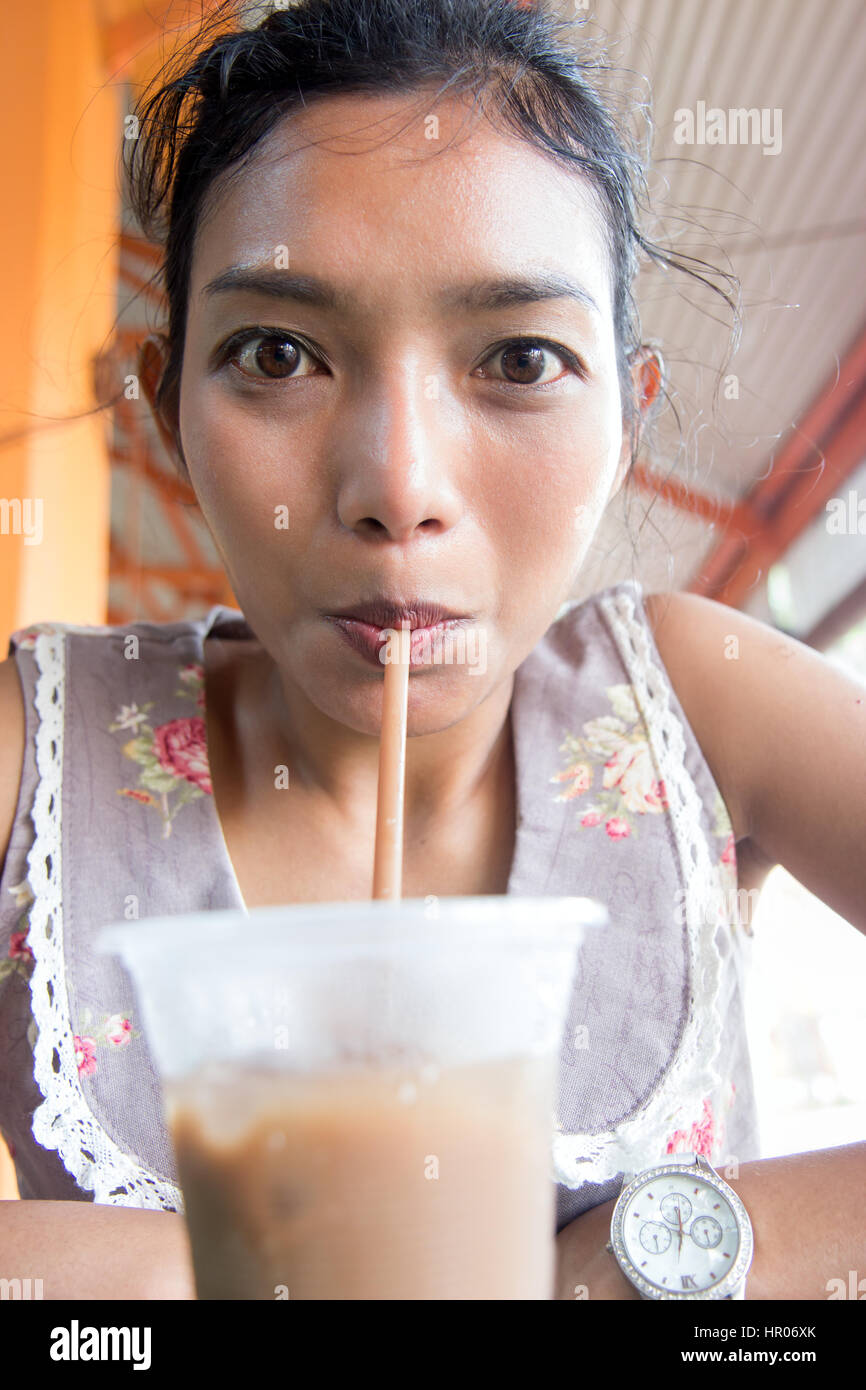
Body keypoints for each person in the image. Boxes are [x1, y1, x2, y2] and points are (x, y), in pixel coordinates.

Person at [0, 0, 863, 1301]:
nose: (397, 485)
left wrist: (648, 1262)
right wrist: (234, 1269)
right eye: (277, 352)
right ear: (172, 411)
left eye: (518, 357)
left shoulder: (693, 702)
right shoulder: (35, 754)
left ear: (624, 425)